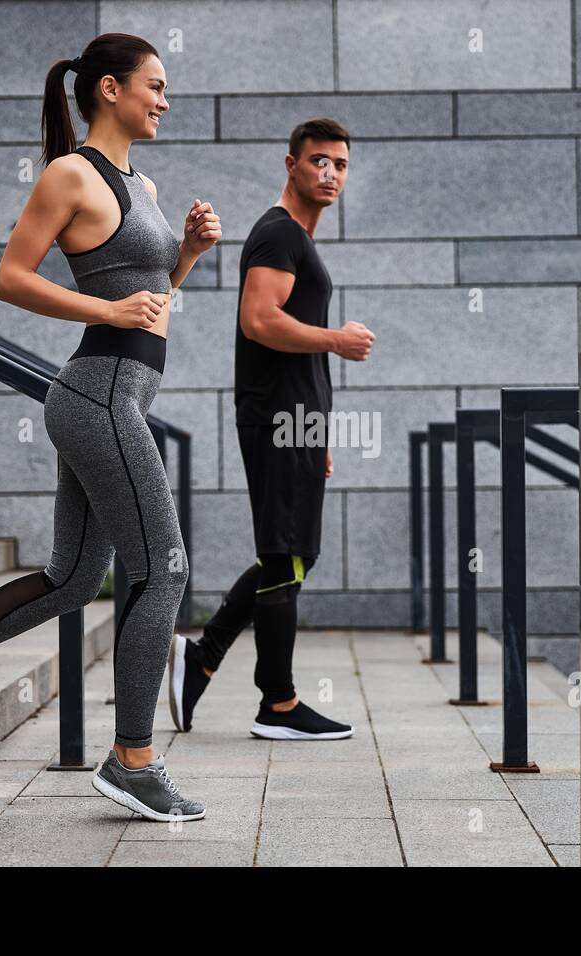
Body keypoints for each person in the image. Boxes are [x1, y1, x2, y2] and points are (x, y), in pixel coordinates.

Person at [0, 33, 220, 823]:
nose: (164, 100)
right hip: (98, 397)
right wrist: (105, 309)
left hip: (114, 399)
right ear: (108, 89)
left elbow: (148, 291)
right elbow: (10, 277)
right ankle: (133, 760)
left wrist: (188, 252)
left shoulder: (145, 182)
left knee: (69, 584)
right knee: (163, 569)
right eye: (154, 86)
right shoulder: (70, 175)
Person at [167, 119, 375, 740]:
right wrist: (337, 340)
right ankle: (277, 705)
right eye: (318, 161)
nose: (330, 173)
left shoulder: (295, 239)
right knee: (285, 553)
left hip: (297, 420)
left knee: (291, 551)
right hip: (277, 418)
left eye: (340, 163)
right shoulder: (278, 235)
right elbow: (259, 320)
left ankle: (201, 661)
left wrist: (319, 430)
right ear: (291, 164)